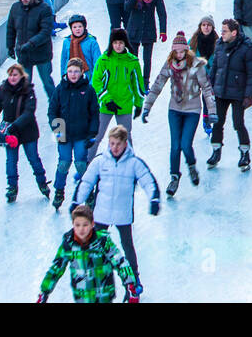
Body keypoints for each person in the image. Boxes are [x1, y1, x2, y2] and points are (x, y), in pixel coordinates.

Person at [72, 125, 159, 293]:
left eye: (118, 144)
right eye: (112, 143)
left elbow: (147, 180)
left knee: (127, 245)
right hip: (101, 212)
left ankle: (134, 279)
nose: (115, 148)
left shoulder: (134, 163)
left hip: (123, 212)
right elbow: (87, 181)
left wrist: (154, 198)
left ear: (125, 143)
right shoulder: (100, 160)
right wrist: (77, 202)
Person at [143, 33, 216, 196]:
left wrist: (211, 111)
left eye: (182, 52)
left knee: (185, 144)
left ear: (187, 51)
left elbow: (207, 88)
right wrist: (147, 106)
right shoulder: (169, 65)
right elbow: (157, 84)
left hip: (192, 110)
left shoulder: (196, 65)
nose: (180, 55)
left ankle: (191, 165)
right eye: (177, 52)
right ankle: (174, 177)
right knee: (175, 146)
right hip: (175, 110)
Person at [39, 204, 141, 304]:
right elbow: (56, 268)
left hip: (104, 294)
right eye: (77, 225)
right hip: (83, 295)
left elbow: (120, 262)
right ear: (73, 224)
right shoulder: (69, 244)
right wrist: (44, 291)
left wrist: (130, 284)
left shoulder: (102, 241)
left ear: (92, 224)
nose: (81, 229)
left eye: (85, 225)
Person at [0, 62, 50, 202]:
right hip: (11, 133)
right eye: (10, 75)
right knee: (11, 160)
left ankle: (42, 182)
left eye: (15, 75)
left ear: (21, 76)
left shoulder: (28, 91)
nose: (12, 78)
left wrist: (14, 126)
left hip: (27, 131)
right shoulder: (3, 89)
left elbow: (29, 112)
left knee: (33, 157)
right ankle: (12, 187)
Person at [207, 19, 252, 171]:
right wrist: (210, 87)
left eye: (225, 31)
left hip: (238, 93)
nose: (221, 33)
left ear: (234, 33)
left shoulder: (247, 48)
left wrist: (249, 95)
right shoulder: (220, 45)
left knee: (238, 123)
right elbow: (215, 66)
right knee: (217, 122)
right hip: (221, 91)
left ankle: (244, 153)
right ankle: (216, 151)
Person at [47, 58, 98, 210]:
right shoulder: (60, 89)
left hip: (82, 134)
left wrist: (92, 133)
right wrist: (58, 132)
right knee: (64, 162)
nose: (73, 74)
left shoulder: (88, 90)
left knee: (81, 164)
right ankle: (59, 190)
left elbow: (94, 113)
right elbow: (52, 111)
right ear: (66, 72)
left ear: (82, 72)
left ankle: (88, 191)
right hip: (64, 134)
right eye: (70, 71)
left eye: (76, 71)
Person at [89, 28, 145, 156]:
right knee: (97, 135)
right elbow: (96, 82)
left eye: (120, 43)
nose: (118, 46)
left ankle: (130, 163)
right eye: (115, 43)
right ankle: (87, 165)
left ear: (125, 43)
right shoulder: (104, 60)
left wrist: (138, 103)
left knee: (126, 137)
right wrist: (107, 99)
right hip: (105, 105)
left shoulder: (132, 61)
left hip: (124, 104)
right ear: (111, 44)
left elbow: (137, 84)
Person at [6, 0, 56, 100]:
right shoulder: (15, 8)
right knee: (24, 85)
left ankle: (56, 106)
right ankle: (23, 108)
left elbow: (46, 31)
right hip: (24, 54)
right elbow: (11, 28)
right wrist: (10, 46)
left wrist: (31, 43)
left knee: (47, 82)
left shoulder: (44, 8)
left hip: (41, 53)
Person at [123, 0, 167, 90]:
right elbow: (127, 7)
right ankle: (133, 81)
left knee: (147, 59)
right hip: (134, 29)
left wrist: (163, 30)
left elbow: (161, 11)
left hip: (148, 29)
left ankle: (145, 82)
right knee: (133, 58)